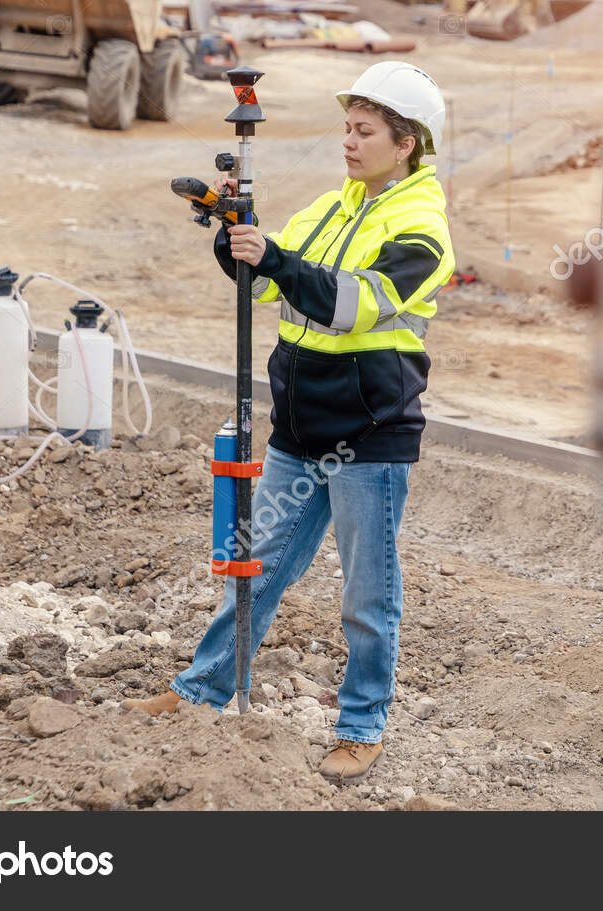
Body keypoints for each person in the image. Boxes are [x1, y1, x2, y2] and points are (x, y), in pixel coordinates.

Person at [124, 61, 456, 785]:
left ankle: (363, 725)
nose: (348, 140)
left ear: (406, 143)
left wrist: (272, 255)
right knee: (254, 568)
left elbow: (354, 303)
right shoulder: (332, 208)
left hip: (367, 437)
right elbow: (274, 275)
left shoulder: (422, 227)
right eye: (347, 126)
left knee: (369, 593)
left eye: (365, 130)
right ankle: (201, 691)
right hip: (298, 432)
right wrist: (235, 241)